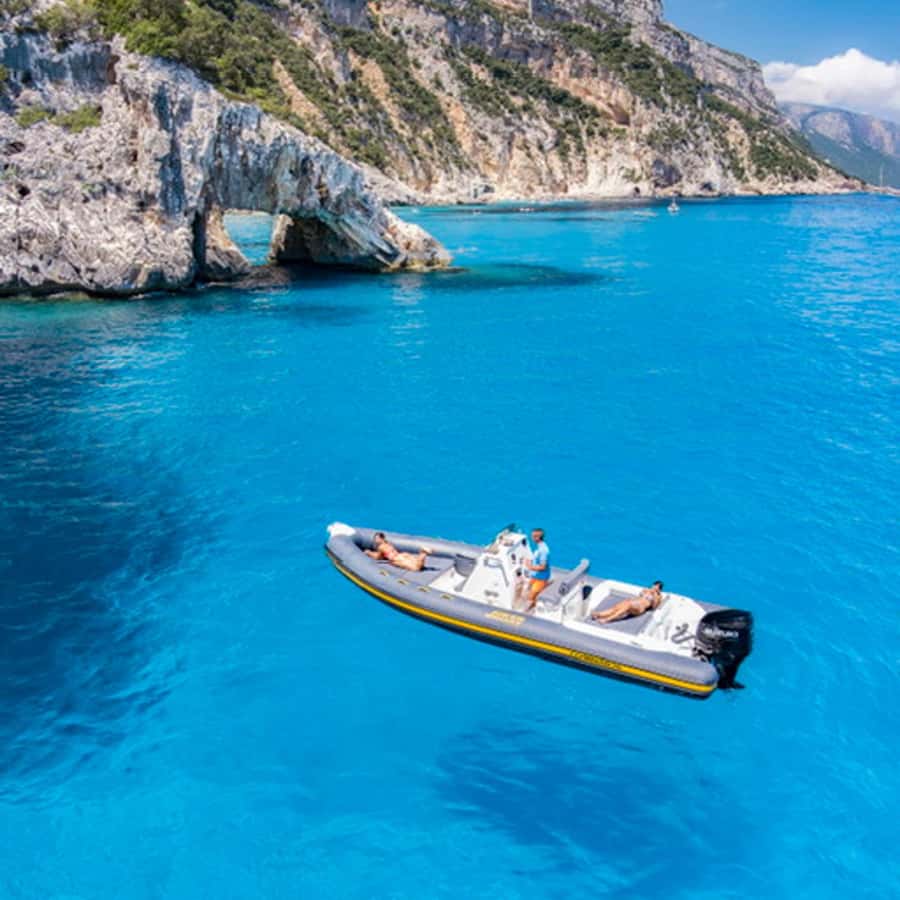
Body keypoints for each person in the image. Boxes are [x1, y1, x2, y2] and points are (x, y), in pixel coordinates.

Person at [592, 581, 664, 624]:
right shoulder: (646, 590)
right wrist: (645, 592)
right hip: (634, 603)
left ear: (659, 589)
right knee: (616, 607)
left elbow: (654, 607)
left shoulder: (658, 596)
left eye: (657, 587)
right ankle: (599, 614)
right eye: (655, 585)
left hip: (640, 608)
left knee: (627, 605)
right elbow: (639, 597)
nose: (655, 587)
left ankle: (607, 619)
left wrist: (654, 595)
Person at [365, 532, 433, 572]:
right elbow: (384, 554)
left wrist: (369, 553)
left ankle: (423, 552)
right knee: (420, 565)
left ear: (381, 539)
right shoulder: (387, 543)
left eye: (376, 539)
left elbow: (378, 557)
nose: (375, 541)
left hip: (396, 559)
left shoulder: (380, 547)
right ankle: (423, 553)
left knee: (416, 568)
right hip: (402, 555)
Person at [525, 528, 551, 612]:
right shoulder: (539, 547)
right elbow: (537, 560)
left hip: (540, 578)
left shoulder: (543, 550)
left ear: (537, 537)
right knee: (528, 589)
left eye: (533, 536)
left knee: (531, 596)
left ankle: (532, 610)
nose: (531, 538)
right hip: (535, 576)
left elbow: (543, 567)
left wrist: (530, 566)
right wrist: (530, 561)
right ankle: (532, 604)